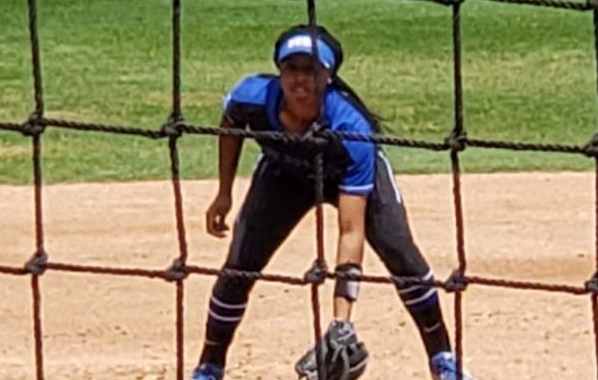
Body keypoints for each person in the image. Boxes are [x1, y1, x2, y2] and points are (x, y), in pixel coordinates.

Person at [189, 25, 477, 380]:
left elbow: (350, 231)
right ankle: (209, 367)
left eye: (310, 70)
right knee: (239, 266)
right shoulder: (252, 95)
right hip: (286, 174)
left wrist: (341, 321)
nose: (299, 79)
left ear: (328, 76)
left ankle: (444, 362)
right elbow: (231, 123)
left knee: (402, 257)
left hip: (344, 173)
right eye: (291, 68)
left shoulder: (351, 129)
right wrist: (224, 192)